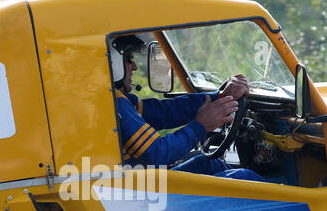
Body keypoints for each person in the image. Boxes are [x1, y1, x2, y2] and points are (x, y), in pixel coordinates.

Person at [110, 34, 263, 181]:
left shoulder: (117, 100)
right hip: (137, 192)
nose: (135, 66)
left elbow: (164, 112)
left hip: (134, 181)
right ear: (113, 62)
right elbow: (158, 154)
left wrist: (220, 96)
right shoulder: (115, 103)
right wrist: (201, 126)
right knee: (245, 177)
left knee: (209, 163)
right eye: (130, 59)